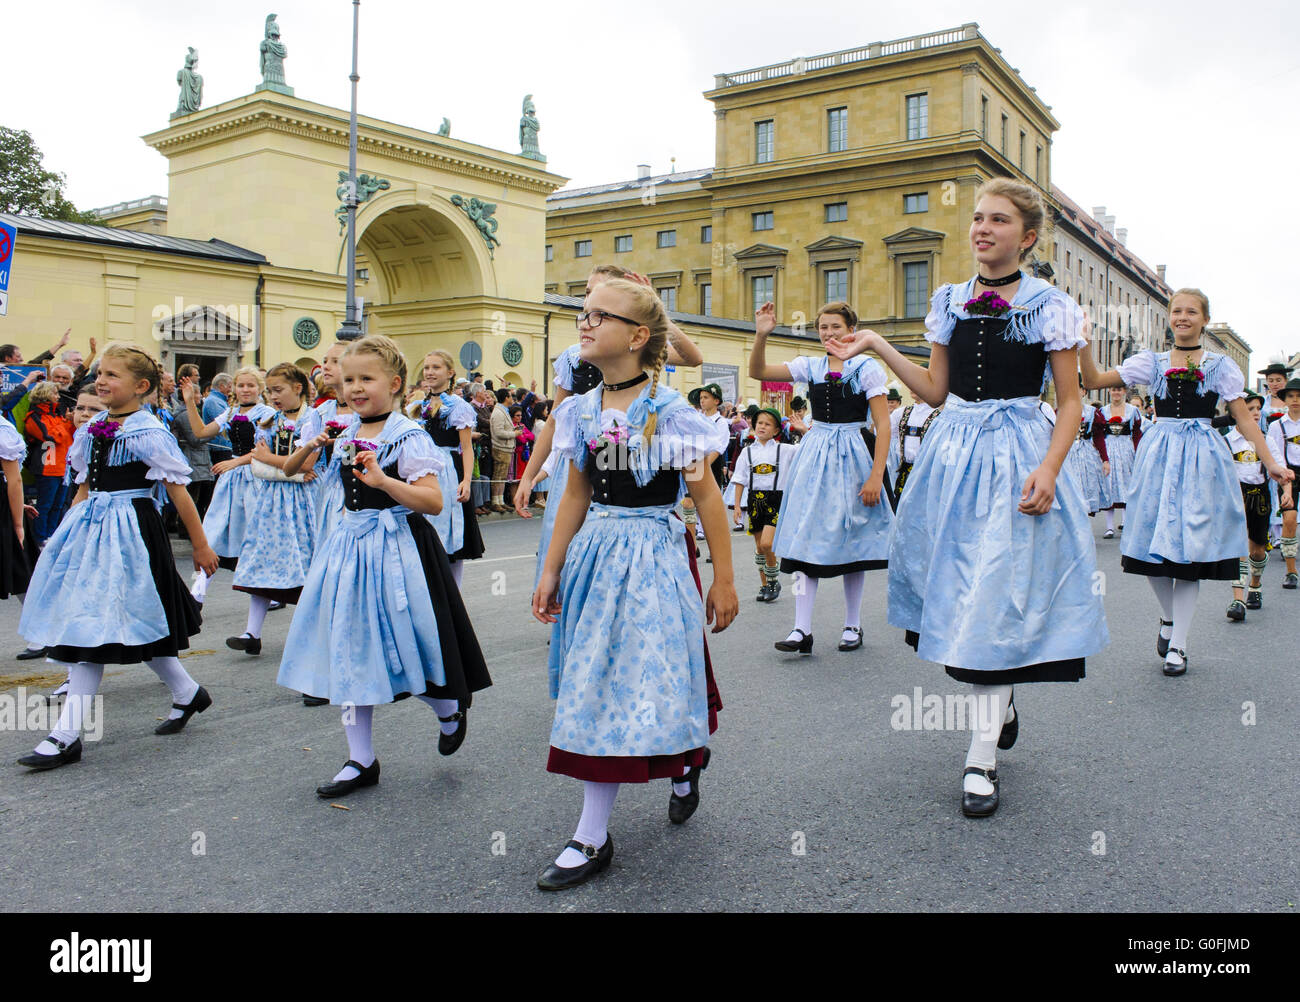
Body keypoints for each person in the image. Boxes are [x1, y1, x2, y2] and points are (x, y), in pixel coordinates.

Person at [829, 176, 1109, 817]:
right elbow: (933, 391)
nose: (983, 228)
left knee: (999, 593)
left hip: (1019, 454)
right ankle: (1001, 702)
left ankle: (980, 758)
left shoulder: (1051, 305)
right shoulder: (949, 301)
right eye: (979, 218)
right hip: (955, 457)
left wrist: (1048, 467)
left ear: (1028, 236)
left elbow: (1069, 402)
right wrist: (874, 344)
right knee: (963, 592)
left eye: (1000, 220)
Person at [531, 278, 736, 890]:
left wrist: (724, 580)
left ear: (639, 335)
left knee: (648, 675)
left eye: (601, 315)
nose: (585, 323)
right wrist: (550, 566)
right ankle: (599, 830)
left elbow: (707, 497)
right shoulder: (578, 410)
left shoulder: (670, 413)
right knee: (597, 680)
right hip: (596, 552)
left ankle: (635, 799)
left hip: (652, 554)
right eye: (583, 315)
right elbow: (576, 492)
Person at [276, 335, 491, 797]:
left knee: (405, 643)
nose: (355, 387)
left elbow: (432, 502)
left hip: (398, 550)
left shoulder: (407, 436)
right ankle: (360, 759)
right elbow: (293, 470)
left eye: (366, 379)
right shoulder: (341, 430)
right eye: (348, 378)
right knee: (348, 649)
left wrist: (384, 480)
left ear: (394, 384)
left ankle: (447, 707)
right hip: (348, 550)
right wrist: (310, 446)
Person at [16, 344, 219, 770]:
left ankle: (67, 735)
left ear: (141, 387)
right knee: (127, 622)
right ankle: (187, 693)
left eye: (112, 375)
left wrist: (200, 545)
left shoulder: (147, 431)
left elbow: (178, 488)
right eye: (101, 373)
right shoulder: (93, 428)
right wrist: (65, 534)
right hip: (93, 529)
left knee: (94, 629)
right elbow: (85, 486)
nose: (101, 380)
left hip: (132, 530)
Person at [1081, 287, 1291, 676]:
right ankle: (1168, 618)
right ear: (1169, 317)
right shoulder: (1153, 361)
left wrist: (1272, 462)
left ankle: (1179, 646)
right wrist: (1083, 340)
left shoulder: (1220, 364)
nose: (1182, 317)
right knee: (1149, 550)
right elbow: (1093, 378)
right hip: (1160, 454)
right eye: (1176, 311)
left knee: (1188, 554)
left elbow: (1244, 419)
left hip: (1200, 457)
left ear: (1204, 319)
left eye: (1191, 312)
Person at [749, 300, 893, 656]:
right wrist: (762, 335)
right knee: (803, 540)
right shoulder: (810, 365)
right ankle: (801, 627)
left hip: (854, 451)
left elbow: (884, 424)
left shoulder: (865, 367)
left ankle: (852, 623)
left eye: (836, 327)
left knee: (852, 539)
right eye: (823, 327)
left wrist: (876, 475)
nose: (829, 333)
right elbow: (758, 371)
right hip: (816, 454)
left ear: (852, 330)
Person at [225, 363, 318, 655]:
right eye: (270, 391)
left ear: (298, 388)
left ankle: (310, 633)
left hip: (302, 502)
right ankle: (252, 631)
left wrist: (270, 458)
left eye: (278, 390)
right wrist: (273, 461)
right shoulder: (270, 419)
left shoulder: (312, 420)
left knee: (303, 562)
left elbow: (307, 465)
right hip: (272, 498)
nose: (273, 396)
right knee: (262, 558)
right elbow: (258, 461)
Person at [182, 368, 275, 588]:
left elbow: (263, 450)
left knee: (255, 534)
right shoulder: (231, 413)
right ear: (234, 388)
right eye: (241, 385)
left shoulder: (267, 413)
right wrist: (190, 403)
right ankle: (199, 586)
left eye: (250, 385)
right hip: (232, 479)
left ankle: (266, 589)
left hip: (256, 477)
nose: (245, 390)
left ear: (260, 388)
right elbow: (201, 432)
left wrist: (234, 462)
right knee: (212, 530)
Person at [409, 349, 484, 586]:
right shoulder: (419, 405)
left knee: (450, 532)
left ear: (450, 373)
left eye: (436, 367)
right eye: (427, 367)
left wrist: (466, 480)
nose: (430, 372)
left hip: (447, 470)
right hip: (422, 468)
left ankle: (452, 590)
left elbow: (466, 447)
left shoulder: (457, 406)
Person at [730, 408, 798, 601]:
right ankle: (765, 585)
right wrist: (737, 506)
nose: (762, 426)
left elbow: (808, 449)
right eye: (760, 422)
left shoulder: (784, 449)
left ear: (776, 430)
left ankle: (774, 581)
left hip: (776, 500)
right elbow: (740, 480)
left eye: (768, 424)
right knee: (760, 547)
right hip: (755, 501)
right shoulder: (747, 452)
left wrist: (802, 429)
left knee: (768, 543)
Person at [1226, 391, 1279, 620]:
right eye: (1250, 409)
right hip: (1236, 495)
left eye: (1258, 409)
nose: (1256, 414)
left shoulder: (1265, 439)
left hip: (1259, 497)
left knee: (1257, 550)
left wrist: (1286, 492)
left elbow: (1279, 468)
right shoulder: (1227, 441)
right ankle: (1237, 599)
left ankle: (1255, 587)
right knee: (1239, 547)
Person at [23, 381, 74, 545]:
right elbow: (50, 437)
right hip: (47, 468)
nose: (58, 397)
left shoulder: (57, 415)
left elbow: (70, 437)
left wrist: (71, 423)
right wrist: (65, 424)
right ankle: (39, 539)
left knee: (58, 507)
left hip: (63, 468)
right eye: (55, 393)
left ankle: (51, 537)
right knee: (44, 506)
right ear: (45, 394)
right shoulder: (34, 417)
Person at [1265, 377, 1300, 589]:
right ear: (1285, 400)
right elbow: (1276, 454)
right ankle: (1291, 570)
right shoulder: (1277, 426)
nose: (1295, 400)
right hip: (1289, 473)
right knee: (1289, 518)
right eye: (1291, 397)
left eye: (1299, 397)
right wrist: (1285, 478)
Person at [171, 367, 214, 528]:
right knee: (191, 498)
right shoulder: (185, 414)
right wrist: (213, 432)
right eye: (196, 393)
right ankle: (186, 528)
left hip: (199, 461)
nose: (200, 396)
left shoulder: (193, 412)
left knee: (198, 498)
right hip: (193, 460)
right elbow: (196, 439)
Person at [1098, 385, 1142, 538]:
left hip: (1126, 449)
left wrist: (1138, 453)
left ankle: (1126, 522)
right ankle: (1109, 526)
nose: (1116, 392)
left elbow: (1137, 433)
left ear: (1124, 392)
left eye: (1119, 389)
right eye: (1113, 389)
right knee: (1109, 484)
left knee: (1126, 484)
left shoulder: (1132, 411)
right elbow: (1099, 434)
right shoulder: (1103, 411)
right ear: (1109, 391)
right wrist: (1103, 457)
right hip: (1109, 448)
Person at [1063, 383, 1110, 517]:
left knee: (1085, 490)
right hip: (1067, 452)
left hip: (1086, 454)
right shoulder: (1060, 410)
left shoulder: (1091, 412)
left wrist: (1105, 459)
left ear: (1083, 392)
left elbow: (1099, 437)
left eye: (1078, 389)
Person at [203, 373, 235, 469]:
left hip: (224, 447)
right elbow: (226, 424)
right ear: (221, 386)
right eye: (230, 386)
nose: (231, 390)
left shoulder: (220, 401)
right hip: (220, 448)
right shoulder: (213, 401)